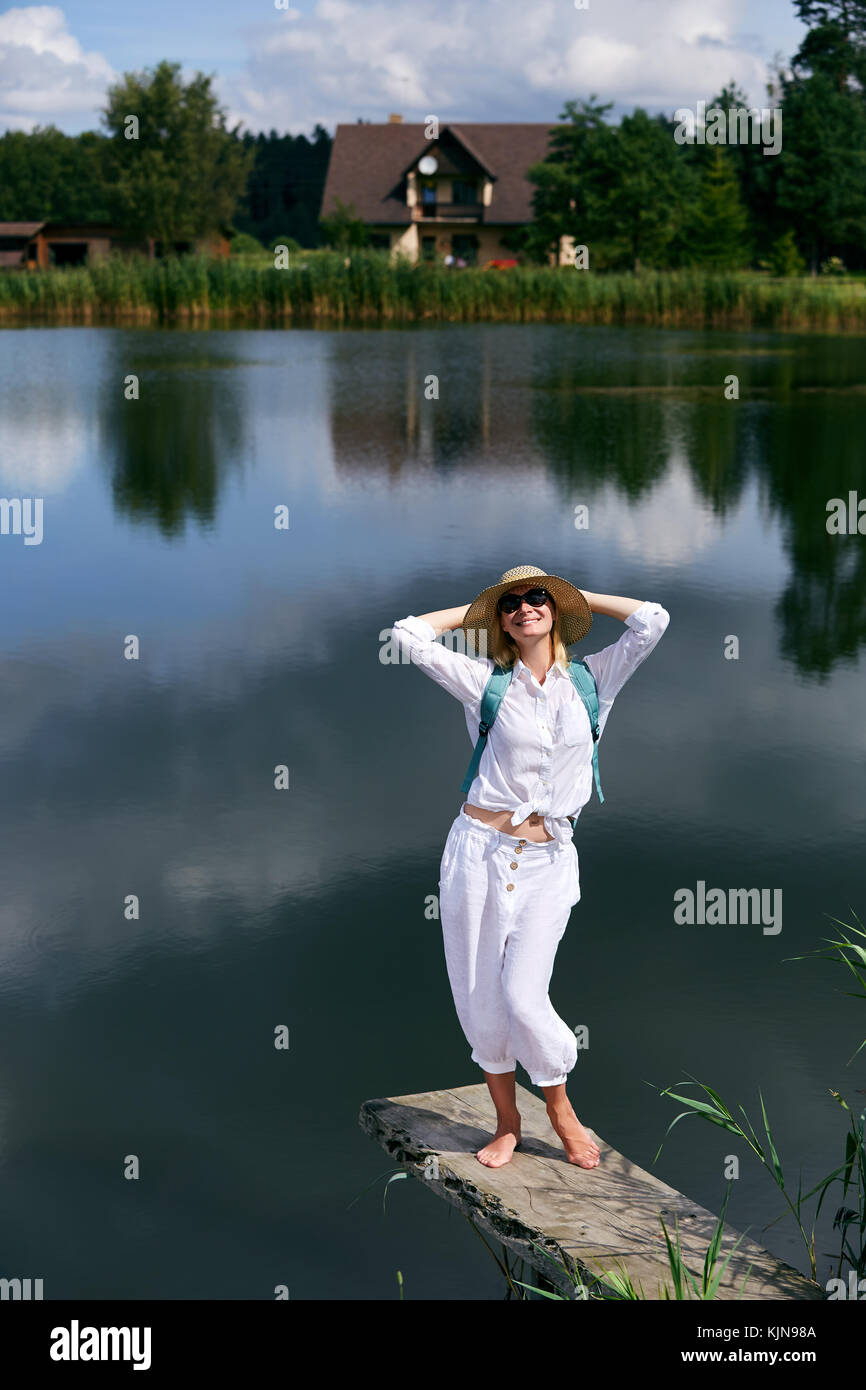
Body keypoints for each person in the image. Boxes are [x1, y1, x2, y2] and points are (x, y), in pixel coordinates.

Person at [391, 565, 670, 1170]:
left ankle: (561, 1109)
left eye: (536, 597)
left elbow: (653, 620)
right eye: (511, 603)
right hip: (476, 855)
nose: (524, 608)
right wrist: (474, 610)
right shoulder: (484, 682)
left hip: (548, 860)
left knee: (523, 993)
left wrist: (580, 596)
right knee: (477, 995)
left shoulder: (597, 679)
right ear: (500, 622)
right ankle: (508, 1121)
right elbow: (407, 635)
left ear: (555, 608)